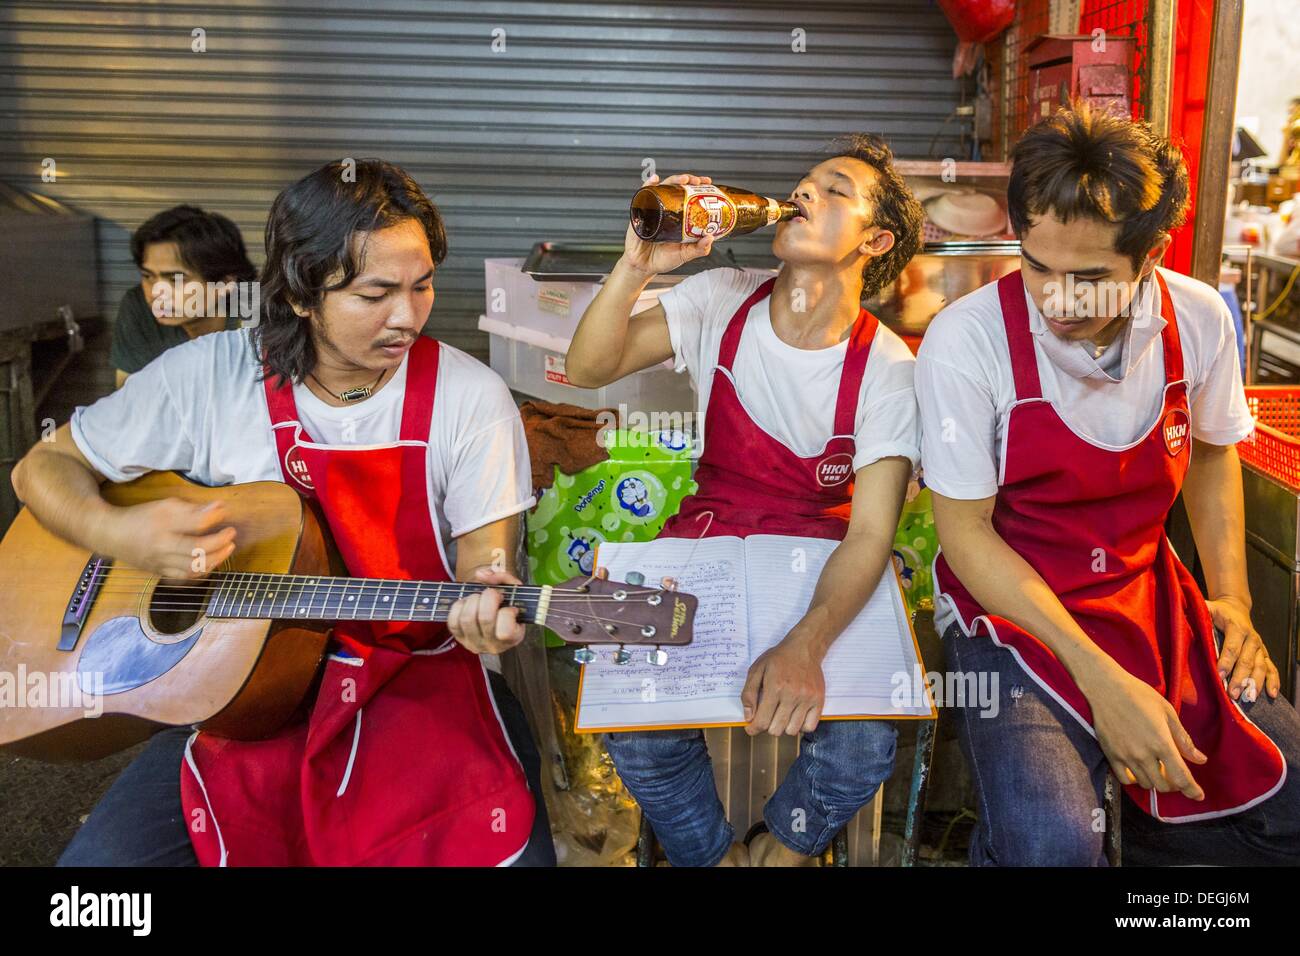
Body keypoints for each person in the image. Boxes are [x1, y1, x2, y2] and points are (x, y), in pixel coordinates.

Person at [13, 159, 555, 866]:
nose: (408, 316)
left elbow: (487, 565)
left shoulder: (470, 397)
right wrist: (119, 531)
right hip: (236, 699)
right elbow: (40, 468)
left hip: (413, 687)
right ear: (301, 291)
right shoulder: (208, 375)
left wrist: (488, 608)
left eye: (422, 286)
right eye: (375, 293)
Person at [916, 104, 1300, 866]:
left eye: (1089, 279)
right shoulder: (967, 340)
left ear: (1151, 253)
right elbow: (965, 535)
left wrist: (1232, 600)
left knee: (1286, 801)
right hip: (1013, 613)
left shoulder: (1197, 321)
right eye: (1036, 267)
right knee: (1049, 843)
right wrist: (1104, 685)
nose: (1057, 302)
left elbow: (1216, 454)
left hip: (1145, 592)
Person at [565, 135, 924, 866]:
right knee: (635, 721)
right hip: (708, 548)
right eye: (807, 180)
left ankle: (781, 850)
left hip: (822, 562)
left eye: (835, 190)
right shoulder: (719, 298)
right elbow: (587, 366)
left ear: (875, 239)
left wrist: (806, 644)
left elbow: (870, 537)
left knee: (862, 746)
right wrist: (637, 262)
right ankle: (711, 856)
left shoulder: (888, 367)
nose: (804, 192)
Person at [112, 205, 258, 386]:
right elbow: (126, 399)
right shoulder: (138, 305)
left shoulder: (253, 309)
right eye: (148, 276)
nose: (156, 292)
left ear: (225, 283)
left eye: (176, 279)